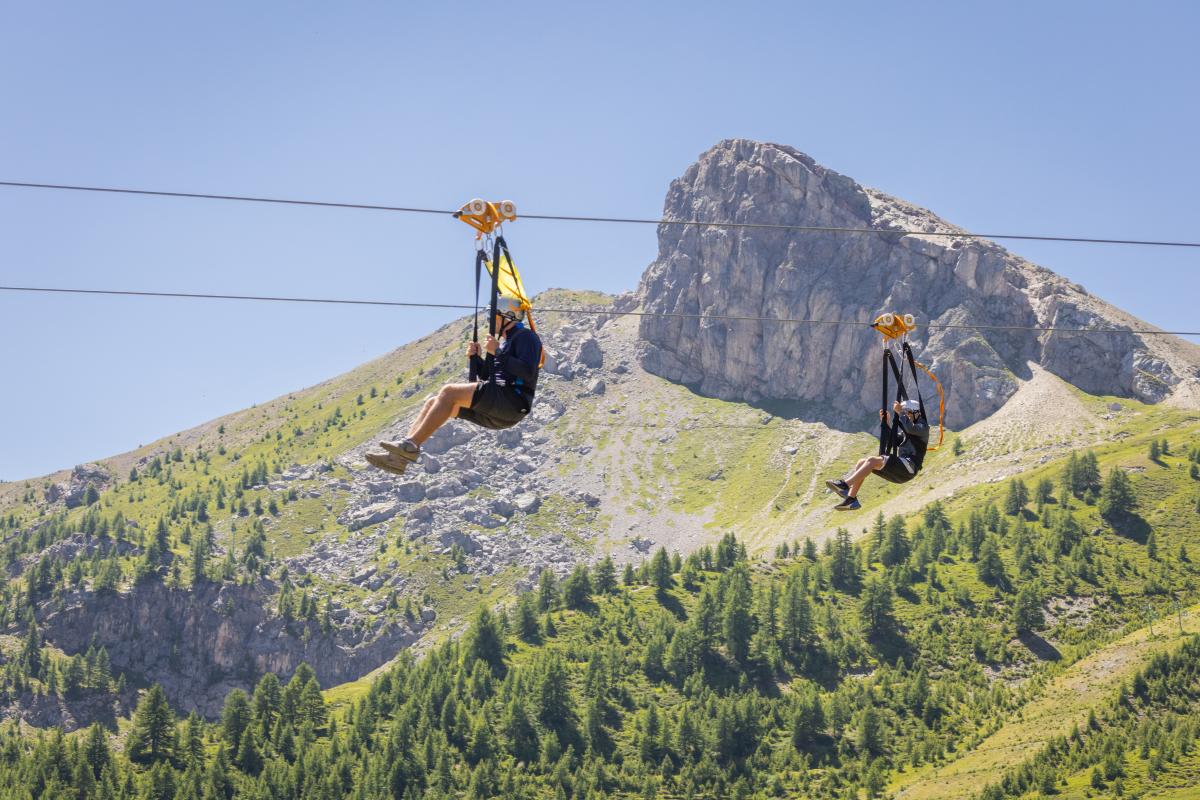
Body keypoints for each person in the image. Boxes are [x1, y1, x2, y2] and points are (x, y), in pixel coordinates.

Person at [366, 295, 543, 475]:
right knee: (434, 402)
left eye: (493, 316)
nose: (489, 320)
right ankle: (400, 457)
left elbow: (527, 371)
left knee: (448, 392)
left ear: (506, 316)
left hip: (512, 402)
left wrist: (497, 352)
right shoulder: (505, 343)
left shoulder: (526, 338)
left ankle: (409, 447)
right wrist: (477, 359)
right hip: (500, 406)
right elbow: (490, 376)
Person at [825, 399, 929, 510]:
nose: (906, 416)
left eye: (908, 413)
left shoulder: (923, 427)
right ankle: (851, 499)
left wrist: (900, 412)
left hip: (909, 467)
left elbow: (910, 428)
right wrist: (886, 423)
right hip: (902, 469)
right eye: (906, 414)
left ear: (916, 413)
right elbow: (893, 441)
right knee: (861, 462)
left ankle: (845, 485)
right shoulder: (907, 432)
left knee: (872, 460)